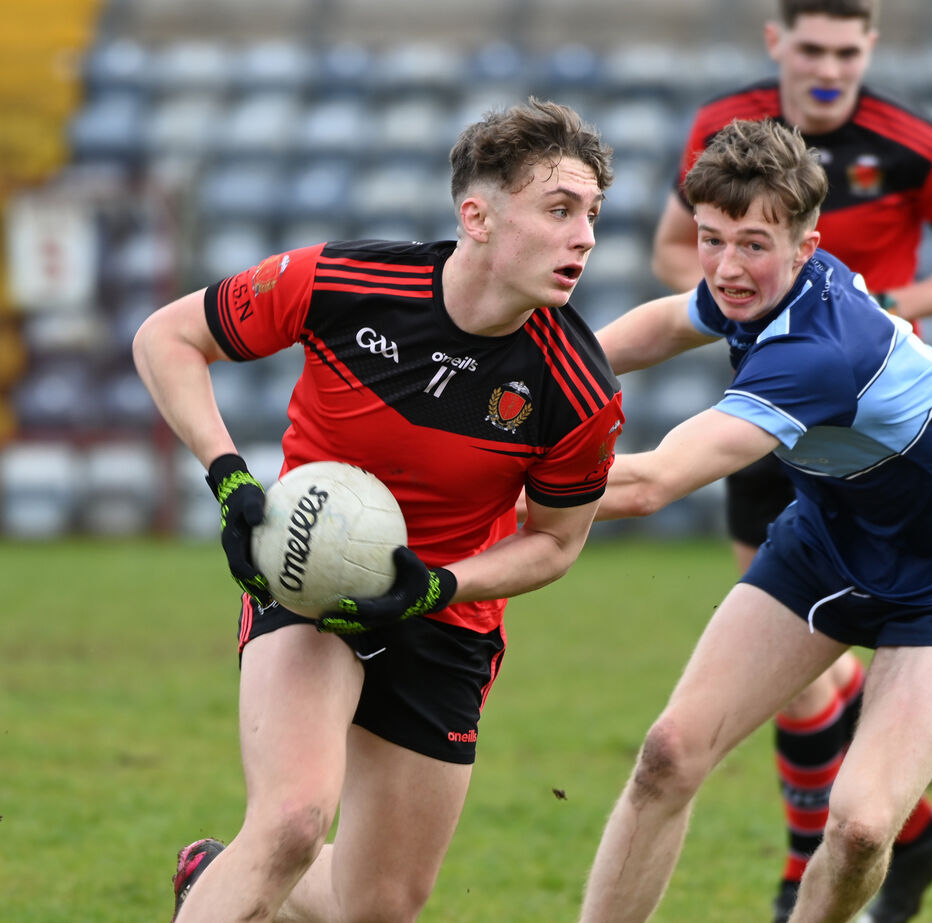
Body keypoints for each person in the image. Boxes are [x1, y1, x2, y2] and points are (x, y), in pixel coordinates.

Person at [132, 97, 624, 923]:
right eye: (559, 210)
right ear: (477, 216)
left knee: (376, 906)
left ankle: (213, 874)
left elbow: (555, 543)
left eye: (593, 215)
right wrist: (230, 480)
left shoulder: (577, 388)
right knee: (292, 822)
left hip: (446, 617)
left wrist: (438, 585)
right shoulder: (345, 284)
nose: (585, 237)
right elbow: (166, 338)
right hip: (308, 578)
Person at [578, 118, 932, 923]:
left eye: (752, 245)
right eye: (711, 239)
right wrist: (549, 364)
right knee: (669, 755)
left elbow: (652, 482)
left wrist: (486, 481)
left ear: (805, 246)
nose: (726, 267)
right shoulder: (754, 287)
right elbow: (669, 321)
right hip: (831, 537)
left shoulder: (818, 349)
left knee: (860, 827)